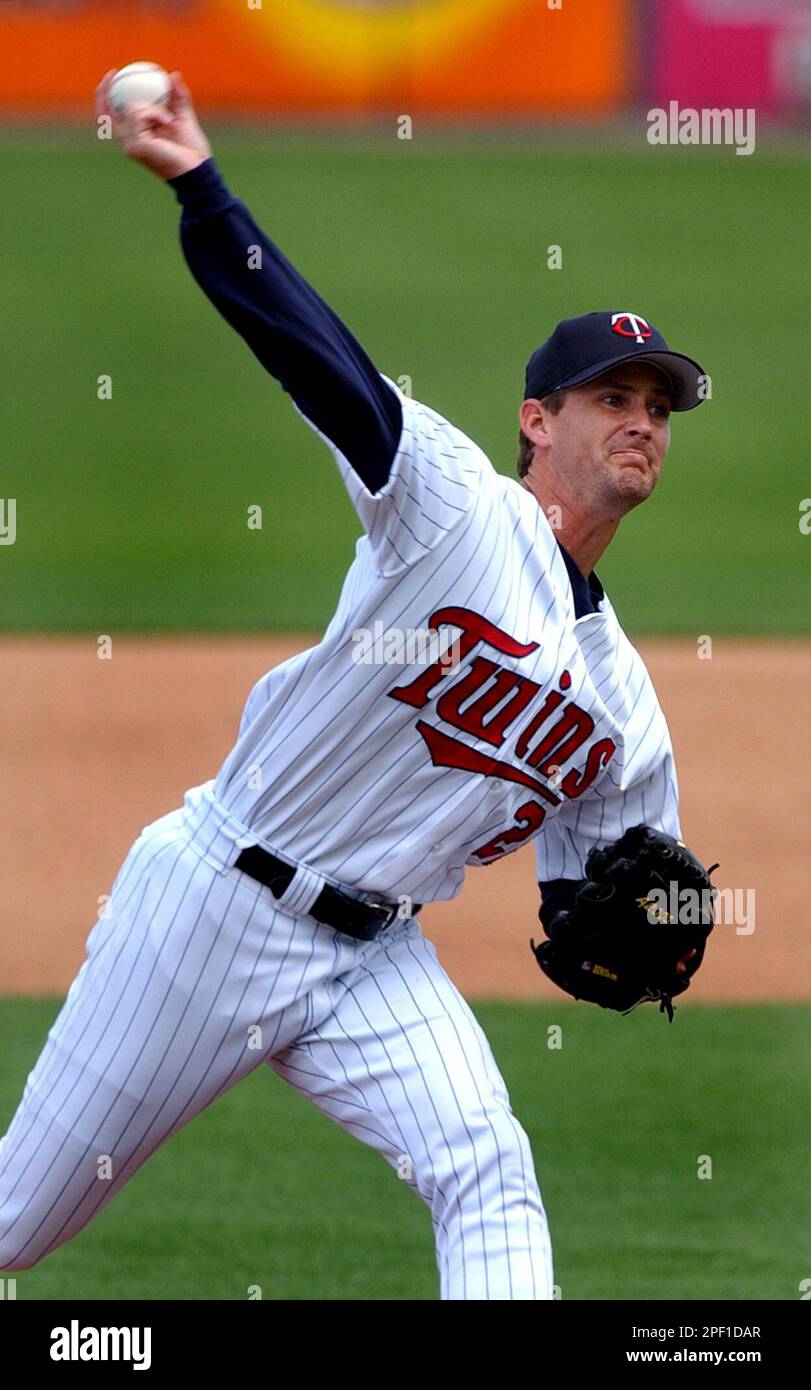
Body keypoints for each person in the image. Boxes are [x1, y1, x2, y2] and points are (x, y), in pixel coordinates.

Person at [0, 72, 708, 1300]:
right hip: (218, 906)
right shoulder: (450, 506)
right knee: (15, 1221)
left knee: (487, 1163)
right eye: (612, 398)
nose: (640, 421)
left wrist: (654, 932)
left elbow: (601, 889)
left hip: (376, 953)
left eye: (656, 406)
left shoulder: (625, 709)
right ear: (537, 421)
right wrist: (199, 188)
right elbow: (313, 353)